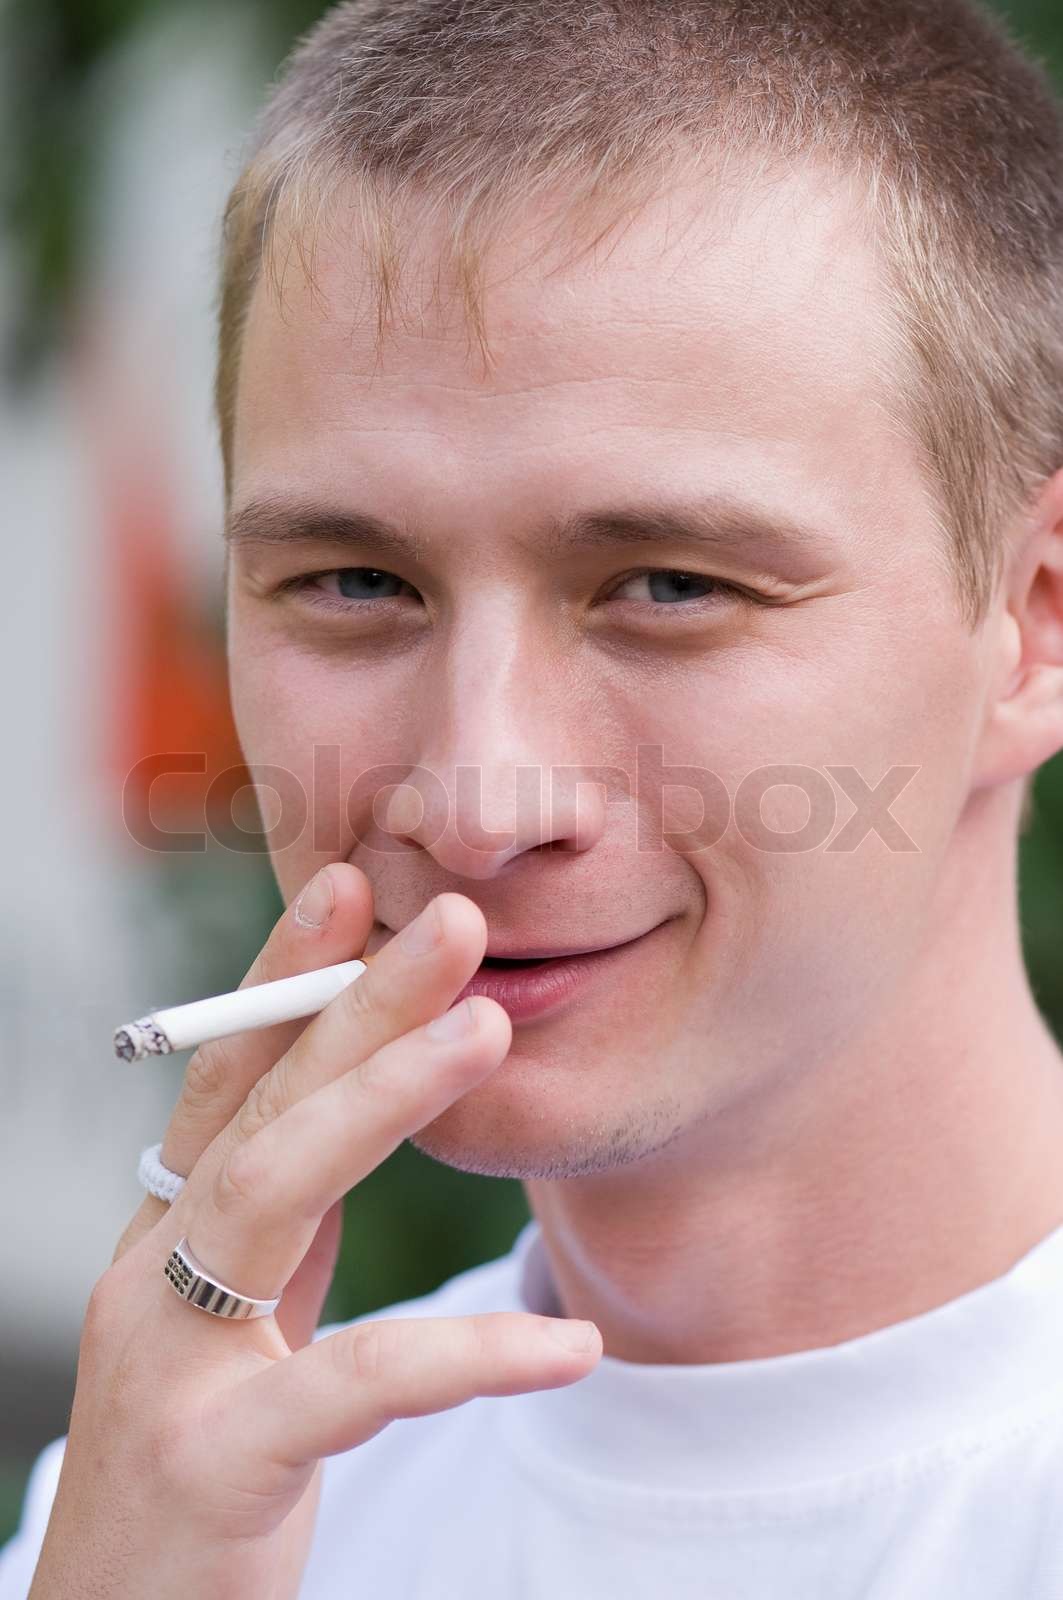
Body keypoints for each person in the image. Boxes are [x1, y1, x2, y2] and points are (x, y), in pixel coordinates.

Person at [6, 0, 1063, 1593]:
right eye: (356, 579)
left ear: (1036, 619)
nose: (477, 797)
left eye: (667, 583)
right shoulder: (187, 1504)